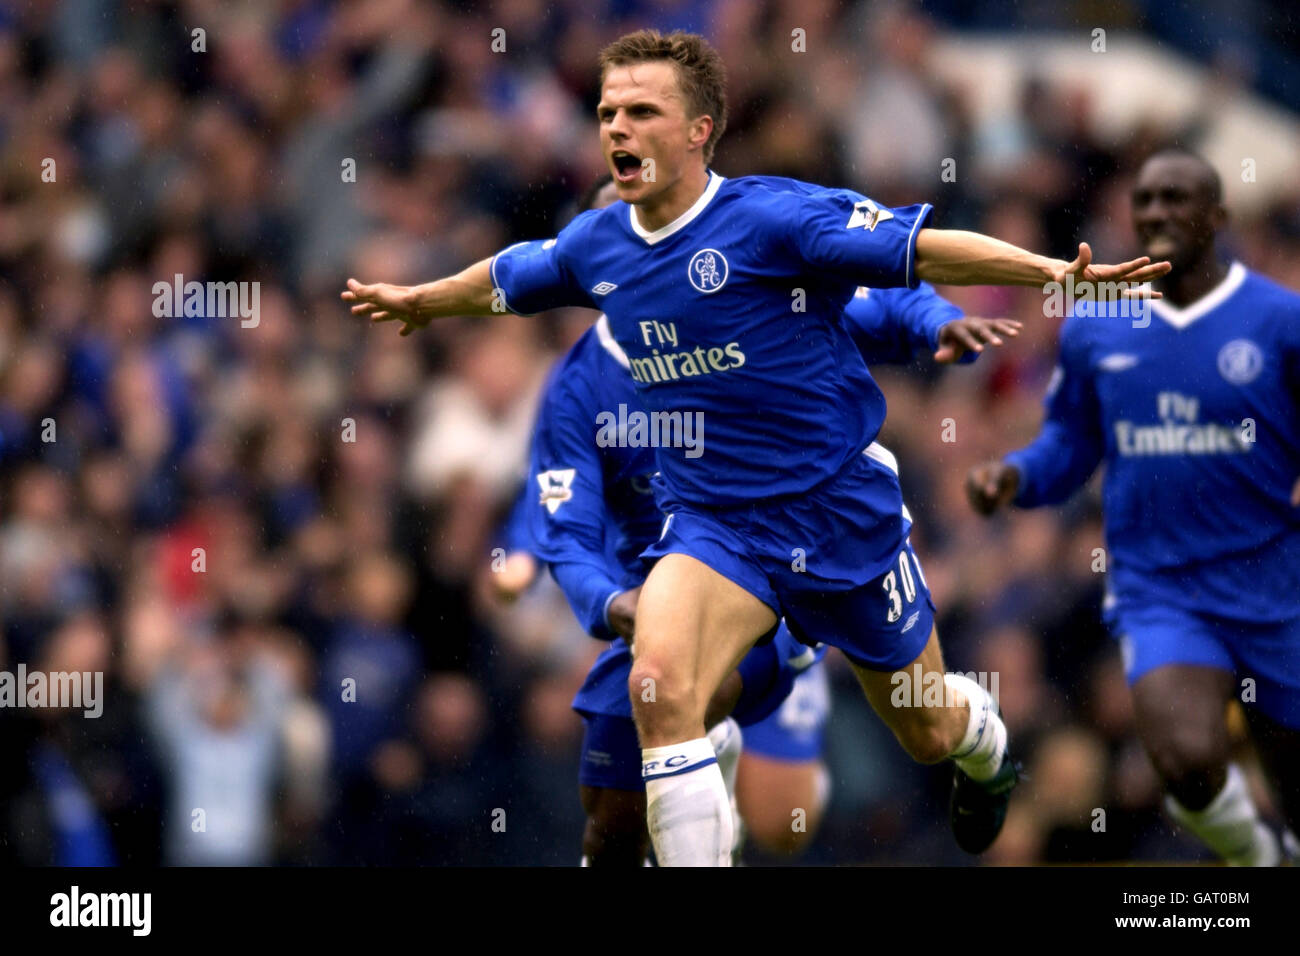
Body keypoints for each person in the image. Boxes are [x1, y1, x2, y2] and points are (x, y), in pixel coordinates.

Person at [344, 29, 1168, 865]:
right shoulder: (600, 248)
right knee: (657, 687)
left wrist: (1055, 272)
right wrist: (421, 302)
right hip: (715, 527)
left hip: (841, 514)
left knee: (926, 727)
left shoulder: (773, 218)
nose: (618, 129)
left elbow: (922, 250)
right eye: (606, 113)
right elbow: (506, 278)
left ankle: (985, 752)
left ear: (700, 129)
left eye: (642, 111)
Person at [967, 149, 1300, 865]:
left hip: (1270, 588)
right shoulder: (1096, 330)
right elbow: (1069, 443)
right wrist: (1018, 477)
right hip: (1161, 588)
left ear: (1217, 217)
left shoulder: (1279, 323)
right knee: (1183, 757)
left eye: (1175, 200)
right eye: (1144, 202)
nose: (1155, 215)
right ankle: (1257, 856)